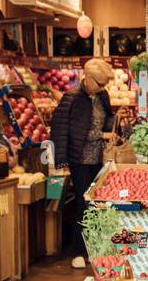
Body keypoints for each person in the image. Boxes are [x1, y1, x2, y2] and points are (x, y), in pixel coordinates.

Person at [50, 58, 116, 269]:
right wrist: (102, 134)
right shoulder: (72, 98)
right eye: (99, 83)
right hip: (79, 159)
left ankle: (94, 249)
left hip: (99, 159)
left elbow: (107, 119)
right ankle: (78, 251)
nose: (102, 88)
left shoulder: (101, 96)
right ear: (87, 78)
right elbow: (66, 132)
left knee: (97, 204)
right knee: (83, 203)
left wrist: (115, 129)